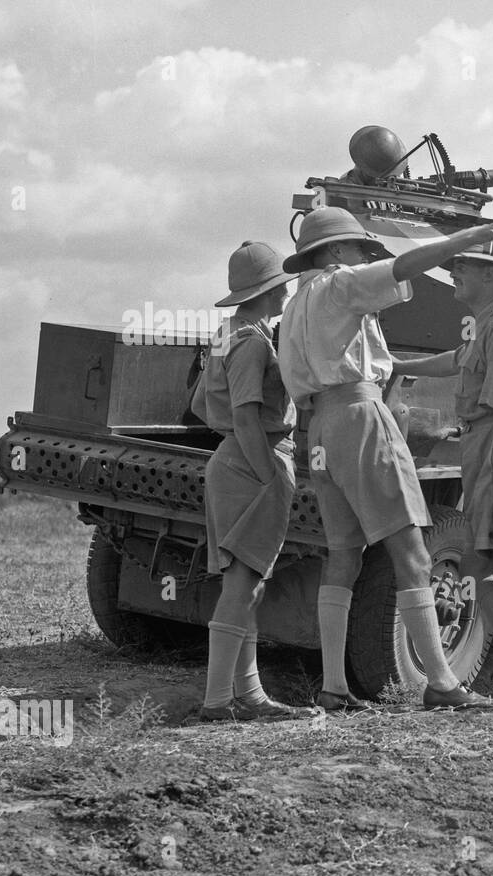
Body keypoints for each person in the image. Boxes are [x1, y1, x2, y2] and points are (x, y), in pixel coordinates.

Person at [278, 206, 493, 711]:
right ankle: (442, 682)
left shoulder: (297, 301)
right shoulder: (340, 282)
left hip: (319, 428)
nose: (365, 256)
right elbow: (402, 269)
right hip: (360, 415)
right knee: (413, 553)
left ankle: (333, 686)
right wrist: (466, 238)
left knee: (342, 556)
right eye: (359, 248)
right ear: (338, 251)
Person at [399, 238, 493, 697]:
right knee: (476, 566)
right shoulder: (488, 325)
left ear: (490, 275)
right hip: (489, 449)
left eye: (462, 265)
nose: (452, 272)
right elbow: (457, 362)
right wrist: (402, 366)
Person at [196, 241, 318, 722]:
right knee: (243, 585)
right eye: (283, 283)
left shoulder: (231, 333)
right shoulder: (251, 341)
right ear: (272, 289)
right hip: (255, 457)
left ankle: (246, 695)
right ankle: (218, 702)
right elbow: (247, 417)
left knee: (247, 585)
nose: (289, 290)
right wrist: (269, 476)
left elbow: (205, 407)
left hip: (234, 460)